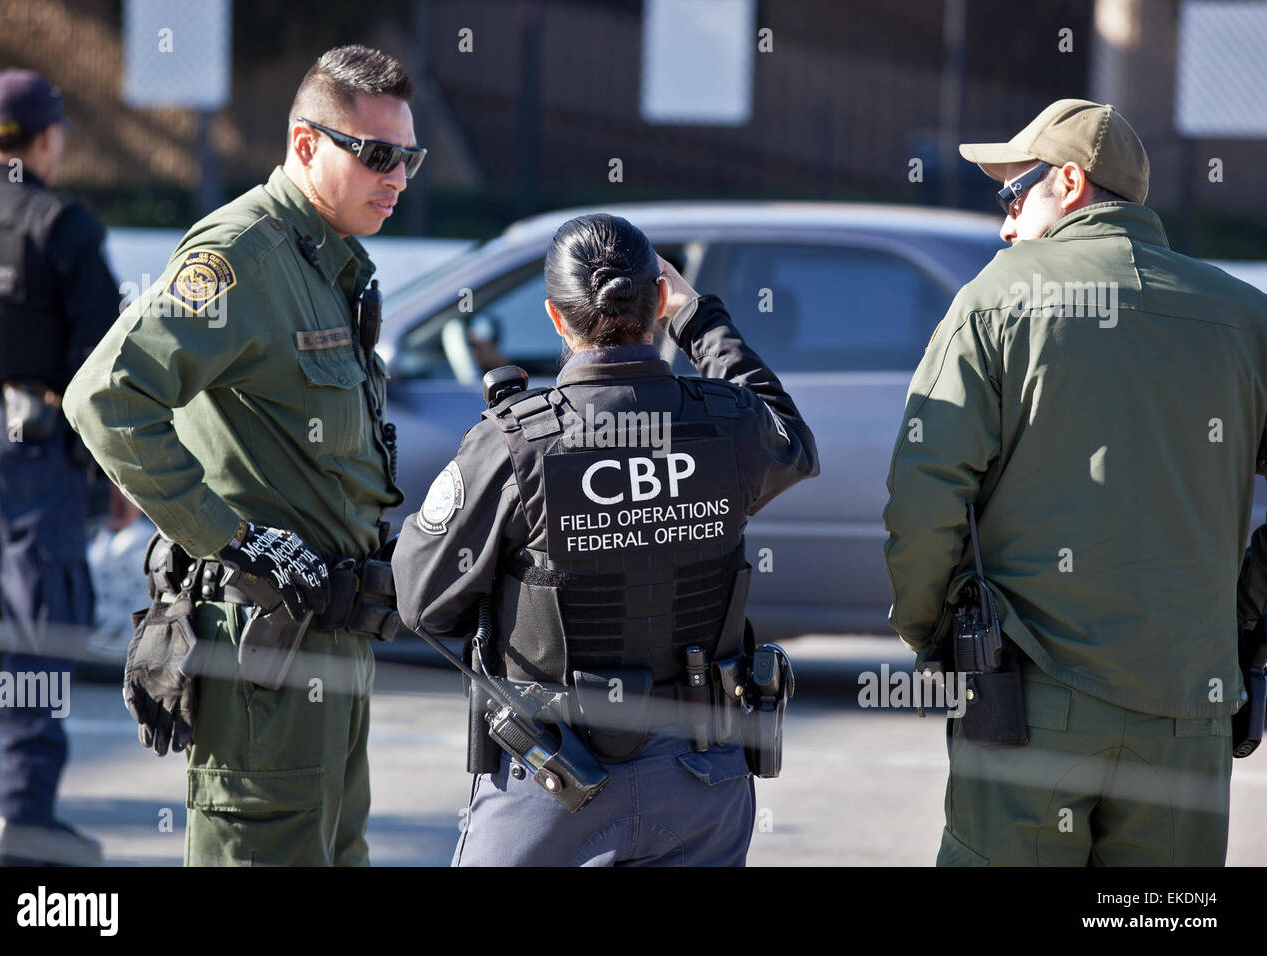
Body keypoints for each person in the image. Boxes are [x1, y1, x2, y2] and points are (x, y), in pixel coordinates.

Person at [64, 45, 423, 865]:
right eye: (375, 155)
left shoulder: (326, 260)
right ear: (305, 146)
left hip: (337, 640)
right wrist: (228, 536)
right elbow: (104, 398)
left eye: (410, 157)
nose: (397, 176)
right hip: (268, 651)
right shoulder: (244, 256)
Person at [883, 99, 1267, 866]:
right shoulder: (1244, 316)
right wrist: (1245, 619)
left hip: (1030, 695)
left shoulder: (995, 301)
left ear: (1069, 181)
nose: (1005, 222)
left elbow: (924, 495)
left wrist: (942, 634)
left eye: (1012, 194)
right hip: (1189, 704)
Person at [392, 213, 818, 866]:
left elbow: (420, 602)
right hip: (701, 778)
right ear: (658, 304)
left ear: (555, 319)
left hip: (555, 780)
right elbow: (794, 436)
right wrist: (699, 319)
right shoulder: (729, 424)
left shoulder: (516, 441)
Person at [0, 68, 121, 866]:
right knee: (39, 630)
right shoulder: (60, 224)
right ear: (47, 138)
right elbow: (100, 371)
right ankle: (23, 822)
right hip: (26, 450)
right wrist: (118, 474)